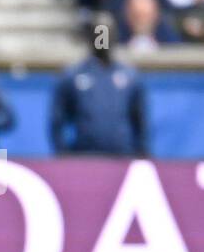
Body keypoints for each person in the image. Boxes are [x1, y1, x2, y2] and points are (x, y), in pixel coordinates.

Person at [50, 25, 148, 155]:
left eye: (106, 34)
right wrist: (62, 152)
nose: (102, 40)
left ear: (114, 37)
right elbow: (57, 119)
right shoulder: (74, 75)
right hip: (85, 157)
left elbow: (140, 120)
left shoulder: (129, 76)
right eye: (99, 34)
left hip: (122, 157)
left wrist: (142, 152)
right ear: (91, 38)